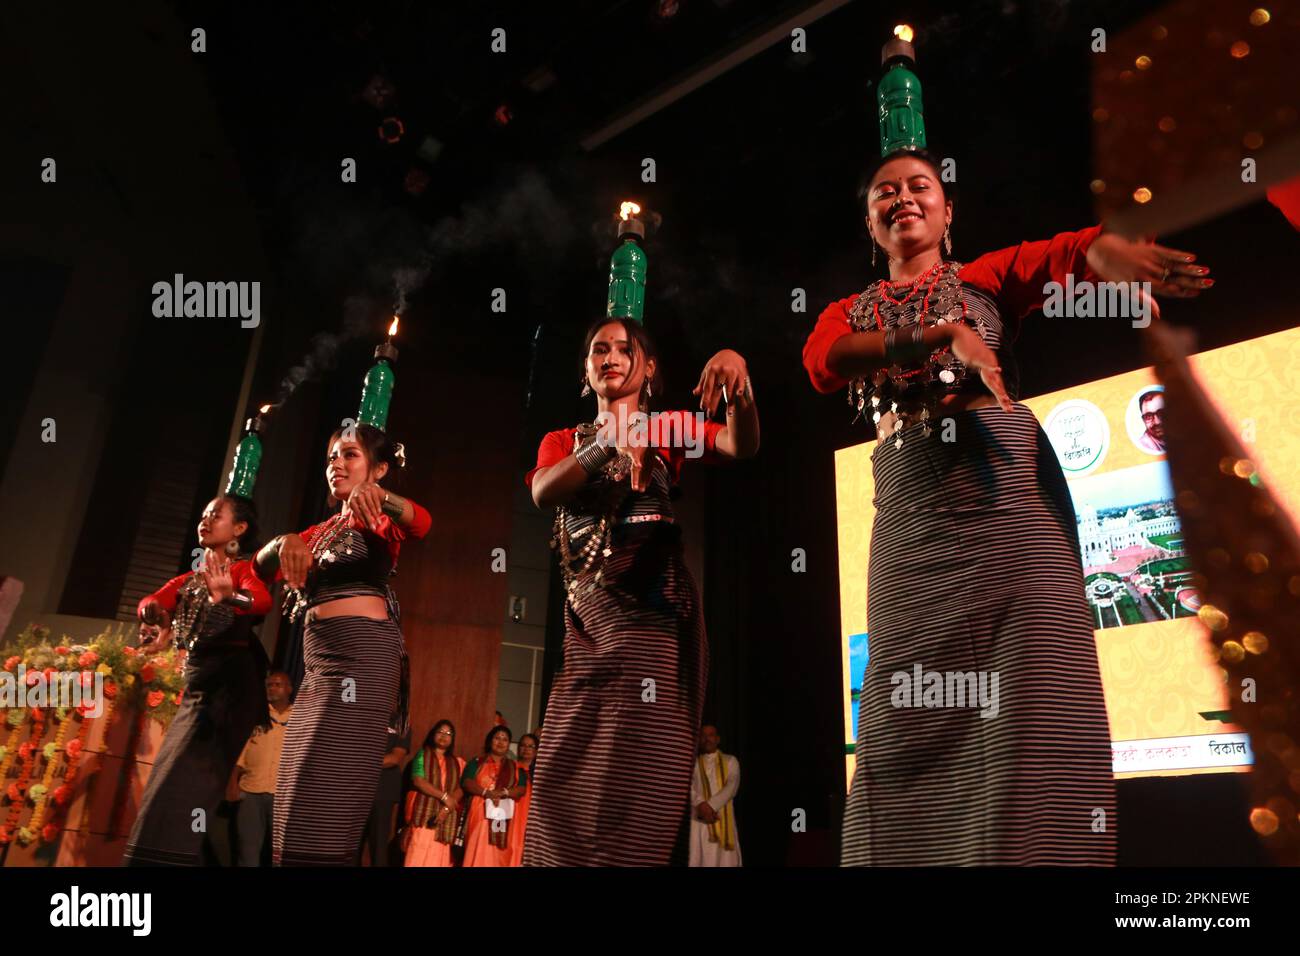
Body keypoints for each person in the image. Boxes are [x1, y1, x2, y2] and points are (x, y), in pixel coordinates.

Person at [802, 146, 1213, 865]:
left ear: (947, 210)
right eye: (885, 193)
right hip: (912, 514)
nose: (902, 198)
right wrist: (935, 335)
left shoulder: (984, 277)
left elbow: (1066, 256)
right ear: (869, 223)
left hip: (1006, 506)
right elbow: (824, 361)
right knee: (902, 724)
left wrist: (1111, 255)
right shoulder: (846, 311)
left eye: (920, 187)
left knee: (1032, 718)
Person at [523, 317, 759, 865]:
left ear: (648, 368)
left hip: (651, 615)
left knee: (639, 763)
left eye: (625, 350)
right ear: (586, 372)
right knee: (564, 762)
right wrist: (609, 443)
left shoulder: (667, 428)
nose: (610, 356)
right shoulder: (563, 440)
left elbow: (738, 444)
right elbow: (542, 490)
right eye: (598, 350)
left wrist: (740, 385)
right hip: (588, 619)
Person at [255, 423, 431, 866]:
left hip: (362, 659)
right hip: (317, 669)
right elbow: (258, 571)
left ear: (379, 468)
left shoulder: (378, 515)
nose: (336, 463)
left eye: (349, 455)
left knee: (330, 791)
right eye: (332, 455)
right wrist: (285, 540)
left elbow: (423, 523)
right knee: (295, 787)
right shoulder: (319, 530)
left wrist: (381, 496)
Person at [123, 495, 271, 866]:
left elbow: (262, 601)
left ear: (239, 529)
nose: (205, 520)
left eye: (215, 515)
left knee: (183, 789)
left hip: (228, 692)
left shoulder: (242, 569)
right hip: (199, 690)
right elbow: (153, 599)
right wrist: (154, 615)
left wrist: (230, 596)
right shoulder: (191, 579)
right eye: (204, 514)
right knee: (164, 784)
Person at [230, 670, 293, 866]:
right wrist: (232, 783)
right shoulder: (255, 715)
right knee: (247, 850)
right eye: (269, 685)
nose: (272, 688)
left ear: (289, 689)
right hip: (251, 792)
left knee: (281, 855)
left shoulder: (300, 718)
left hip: (283, 796)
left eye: (278, 684)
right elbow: (240, 751)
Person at [461, 725, 527, 867]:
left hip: (502, 815)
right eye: (497, 738)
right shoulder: (477, 762)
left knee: (497, 852)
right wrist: (486, 793)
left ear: (509, 744)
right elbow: (467, 782)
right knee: (477, 848)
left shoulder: (514, 767)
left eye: (505, 739)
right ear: (490, 741)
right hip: (479, 815)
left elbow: (521, 789)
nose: (501, 742)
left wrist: (504, 792)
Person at [402, 719, 465, 868]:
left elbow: (461, 789)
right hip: (424, 815)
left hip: (445, 819)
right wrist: (444, 797)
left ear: (453, 739)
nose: (444, 736)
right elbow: (418, 780)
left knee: (439, 856)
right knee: (418, 854)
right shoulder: (422, 755)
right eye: (440, 732)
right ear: (433, 735)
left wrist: (446, 808)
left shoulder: (458, 762)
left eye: (448, 733)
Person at [689, 725, 741, 867]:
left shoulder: (731, 761)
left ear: (717, 739)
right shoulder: (692, 764)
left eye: (711, 735)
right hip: (699, 821)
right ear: (699, 740)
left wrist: (710, 806)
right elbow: (687, 786)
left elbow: (732, 787)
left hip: (722, 819)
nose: (707, 739)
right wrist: (700, 804)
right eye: (703, 736)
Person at [358, 726, 410, 866]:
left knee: (379, 847)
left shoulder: (401, 722)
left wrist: (362, 764)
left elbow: (395, 757)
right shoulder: (364, 713)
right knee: (351, 846)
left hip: (383, 792)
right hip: (356, 790)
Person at [507, 733, 538, 867]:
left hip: (530, 818)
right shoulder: (509, 767)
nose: (526, 749)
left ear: (536, 751)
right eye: (523, 745)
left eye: (531, 746)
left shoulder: (538, 773)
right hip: (510, 813)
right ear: (518, 748)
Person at [1136, 389, 1166, 453]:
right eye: (1148, 416)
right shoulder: (1143, 446)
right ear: (1143, 420)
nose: (1157, 422)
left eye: (1161, 413)